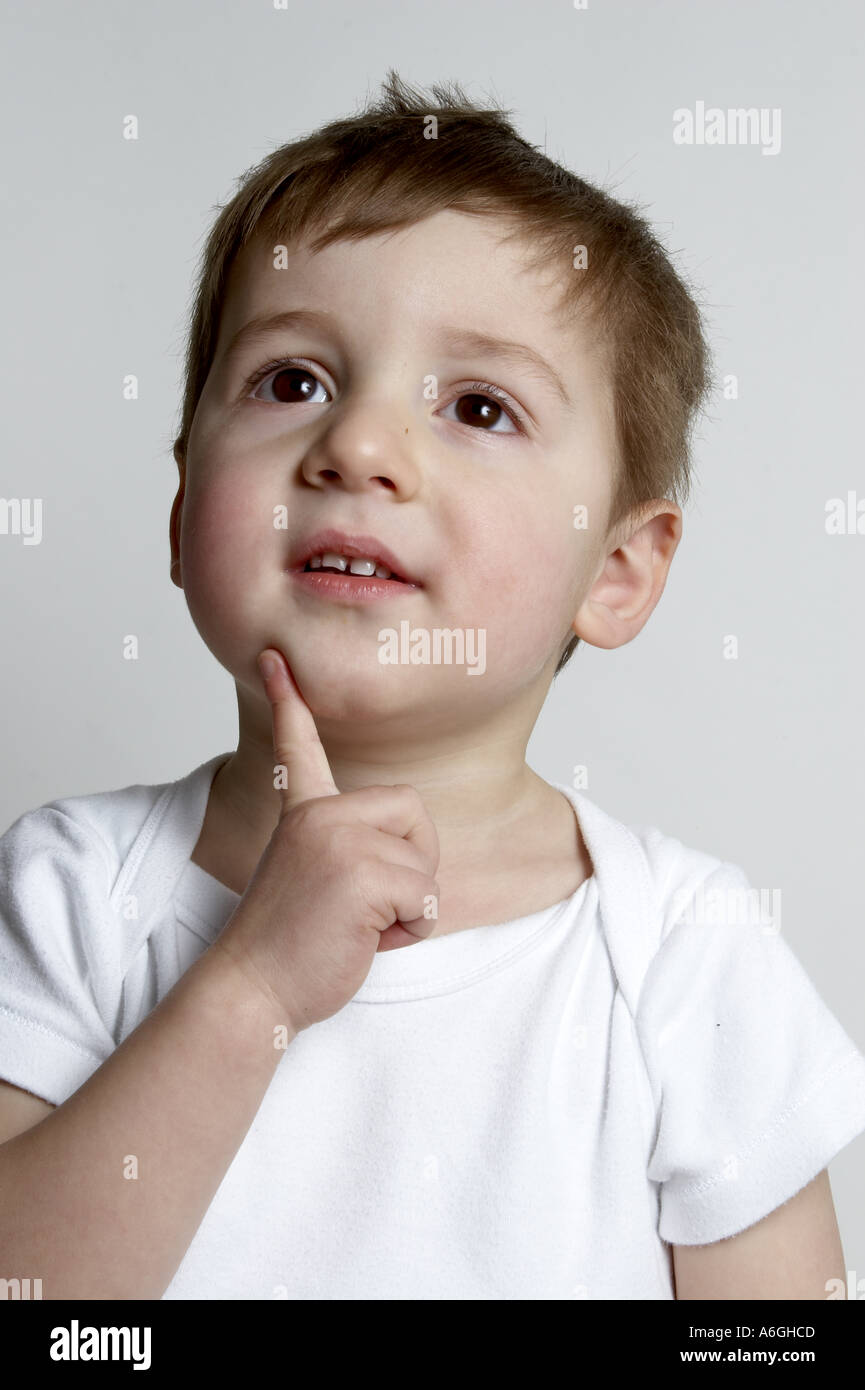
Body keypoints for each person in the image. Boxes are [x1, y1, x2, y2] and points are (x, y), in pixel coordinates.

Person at [1, 71, 863, 1301]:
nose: (356, 445)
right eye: (292, 380)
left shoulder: (682, 959)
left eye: (476, 405)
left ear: (614, 570)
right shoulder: (76, 895)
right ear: (187, 505)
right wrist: (249, 989)